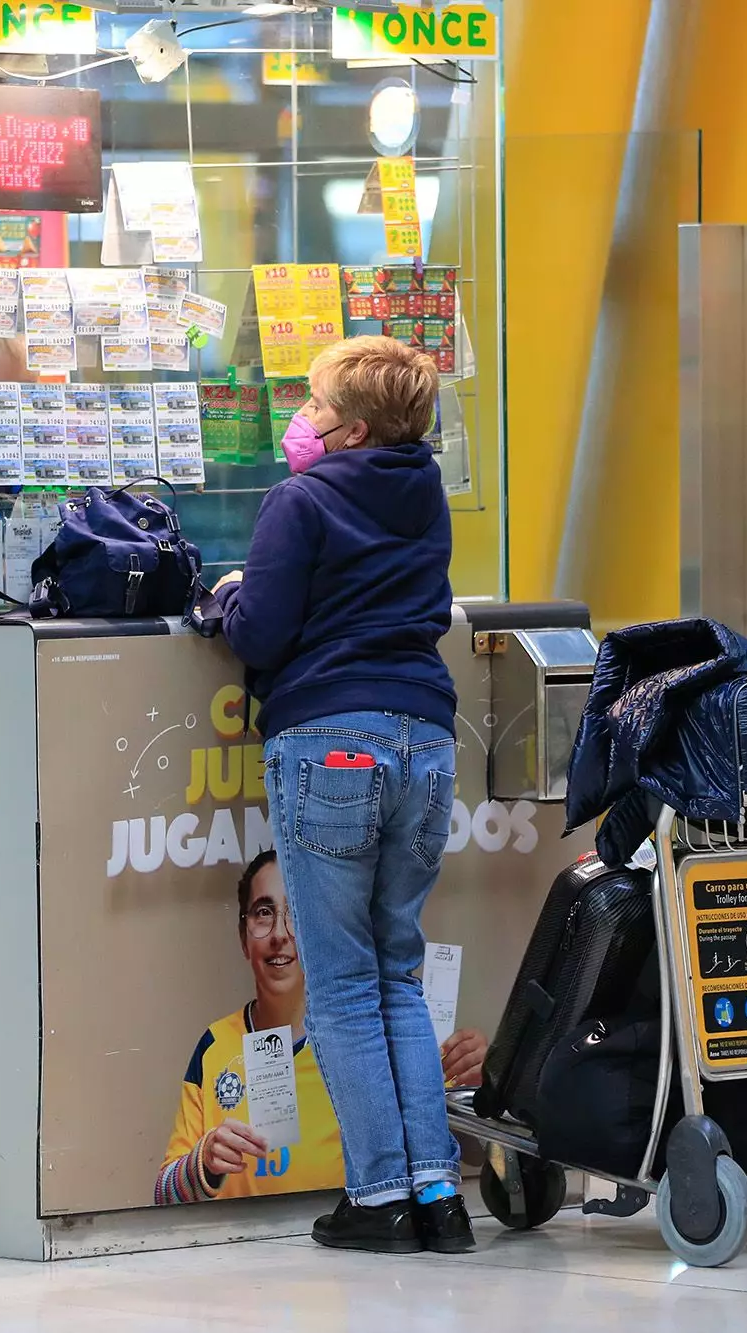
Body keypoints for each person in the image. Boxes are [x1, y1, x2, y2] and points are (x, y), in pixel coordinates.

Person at [210, 335, 469, 1255]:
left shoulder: (300, 499)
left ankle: (379, 1199)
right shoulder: (425, 491)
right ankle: (438, 1190)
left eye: (315, 405)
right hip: (427, 742)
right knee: (396, 969)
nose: (302, 417)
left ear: (351, 428)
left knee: (346, 985)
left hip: (331, 740)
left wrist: (225, 603)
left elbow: (267, 630)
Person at [154, 850, 487, 1205]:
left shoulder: (376, 1038)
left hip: (351, 1247)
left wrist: (484, 1090)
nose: (280, 934)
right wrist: (203, 1162)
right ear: (242, 937)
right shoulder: (214, 1047)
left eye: (296, 913)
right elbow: (163, 1196)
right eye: (263, 913)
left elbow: (479, 1155)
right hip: (243, 1253)